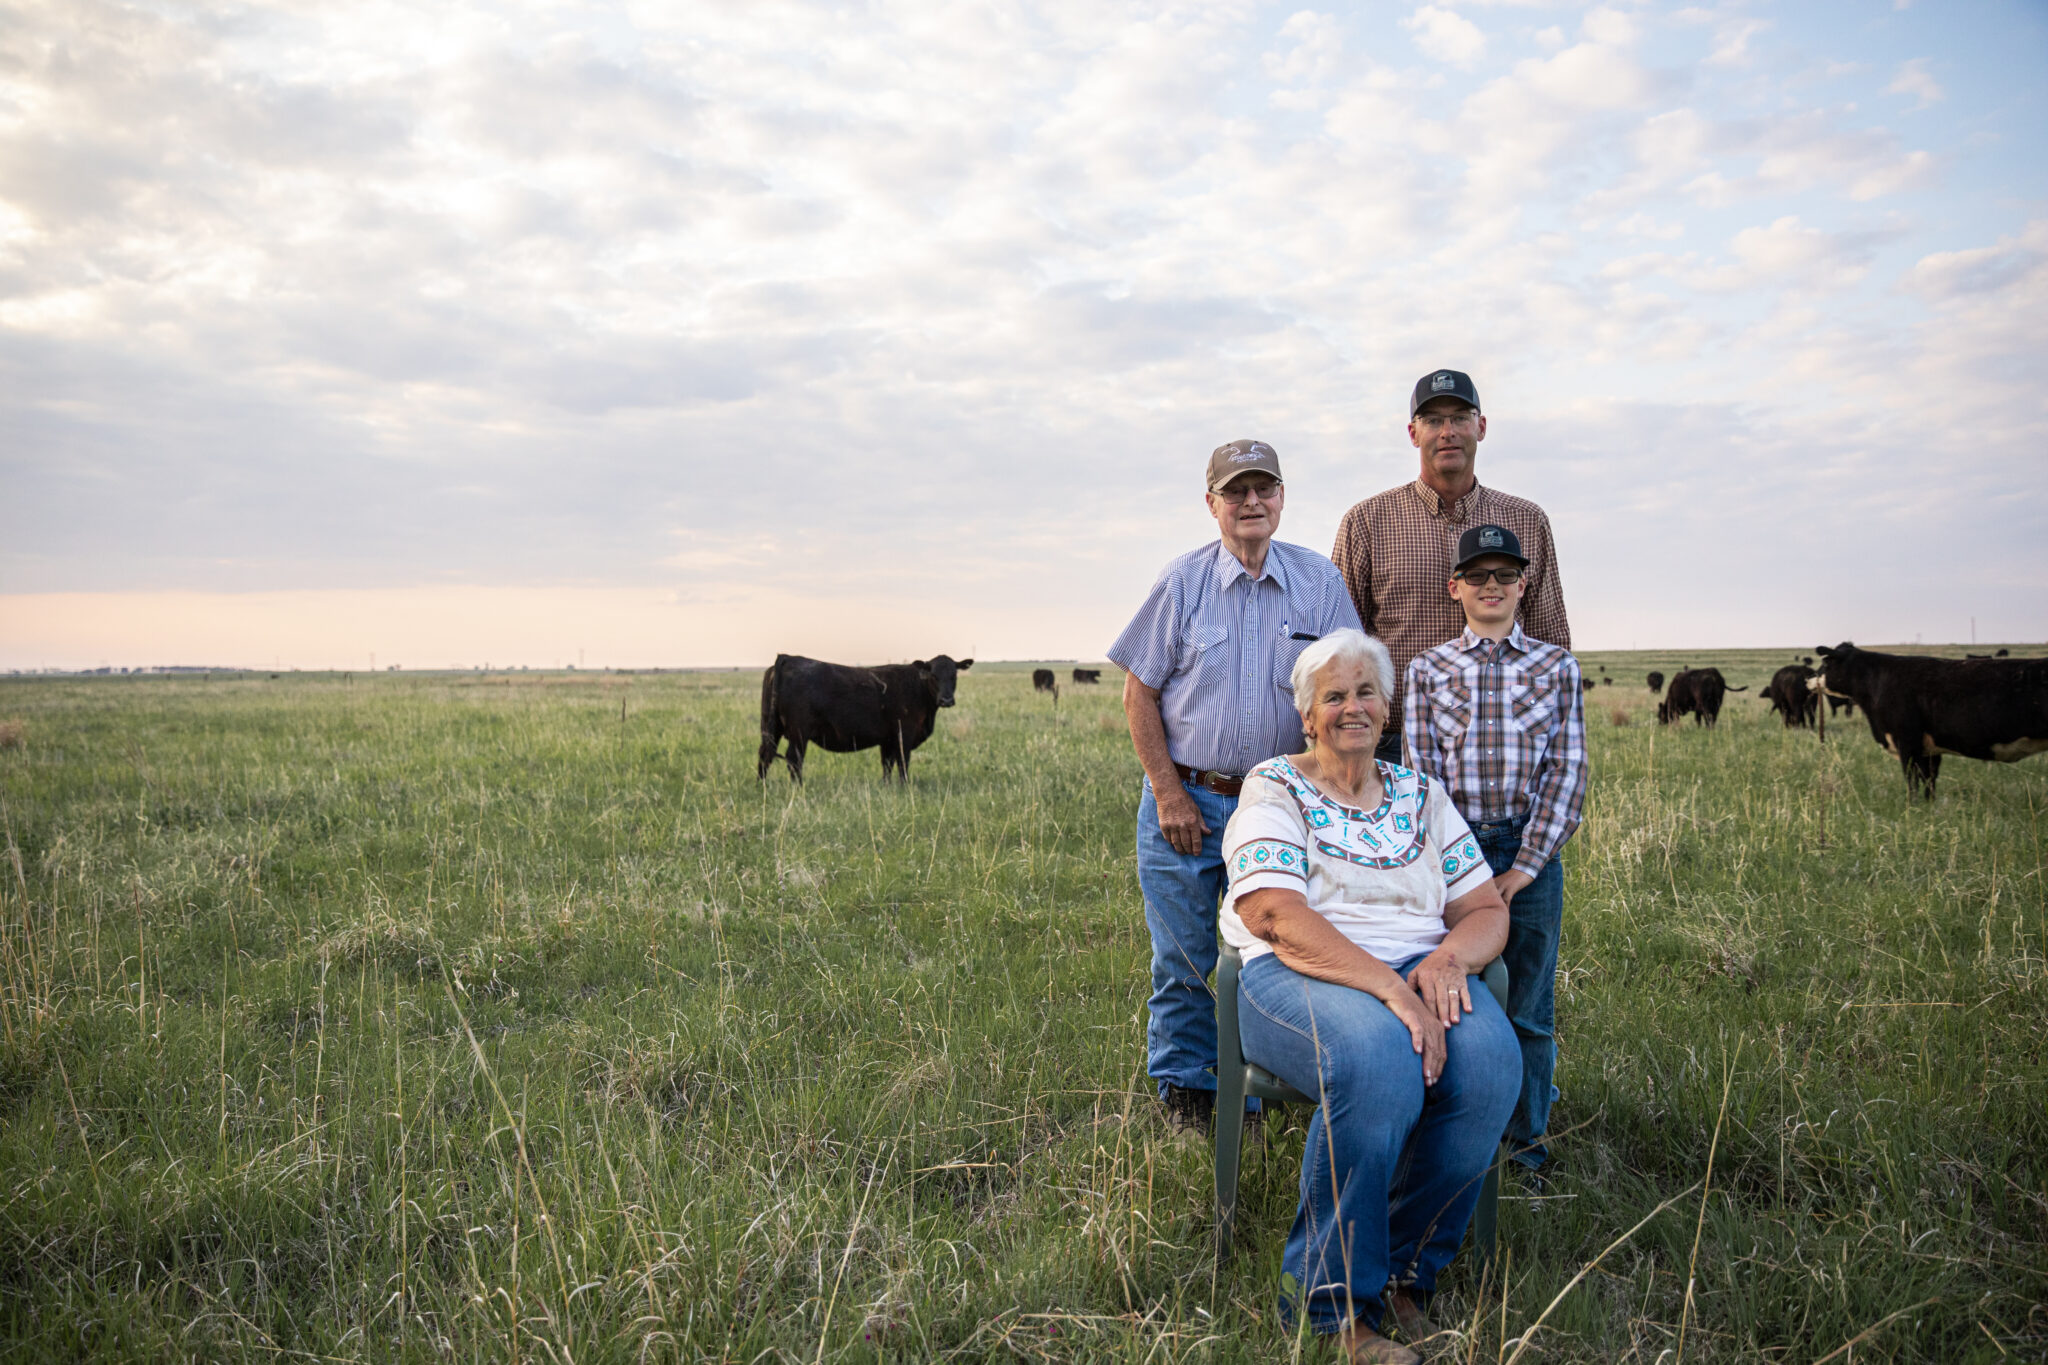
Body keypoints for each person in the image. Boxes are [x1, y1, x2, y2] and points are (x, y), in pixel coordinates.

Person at [1221, 628, 1518, 1364]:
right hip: (1297, 973)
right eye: (1334, 696)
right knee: (1378, 1061)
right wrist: (1394, 990)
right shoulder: (1274, 785)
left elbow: (1486, 908)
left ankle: (1411, 1269)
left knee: (1490, 1068)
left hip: (1420, 967)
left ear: (1386, 709)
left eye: (1365, 692)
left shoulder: (1421, 794)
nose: (1351, 707)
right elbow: (1272, 914)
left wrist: (1448, 961)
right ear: (1308, 715)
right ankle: (1332, 1307)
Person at [1108, 439, 1364, 1133]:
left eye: (1265, 488)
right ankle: (1188, 1094)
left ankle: (1251, 1089)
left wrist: (1329, 793)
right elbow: (1139, 694)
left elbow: (1349, 694)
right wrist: (1168, 794)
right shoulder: (1182, 582)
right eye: (1236, 490)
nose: (1252, 502)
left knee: (1270, 949)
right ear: (1212, 503)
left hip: (1280, 803)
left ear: (1282, 496)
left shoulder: (1319, 583)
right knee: (1185, 953)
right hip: (1186, 796)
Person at [1403, 524, 1587, 1180]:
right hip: (1453, 850)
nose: (1491, 586)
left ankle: (1524, 1148)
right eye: (1477, 576)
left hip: (1528, 852)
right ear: (1454, 587)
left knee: (1530, 1006)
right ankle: (1449, 1139)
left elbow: (1567, 773)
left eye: (1504, 576)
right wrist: (1465, 873)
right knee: (1449, 990)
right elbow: (1422, 778)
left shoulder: (1556, 668)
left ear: (1523, 584)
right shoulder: (1427, 670)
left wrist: (1524, 867)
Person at [1330, 369, 1571, 765]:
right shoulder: (1367, 522)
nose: (1448, 431)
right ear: (1413, 433)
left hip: (1506, 739)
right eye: (1433, 420)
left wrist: (1550, 740)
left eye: (1460, 417)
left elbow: (1551, 638)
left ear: (1481, 426)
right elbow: (1338, 641)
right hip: (1392, 742)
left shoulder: (1527, 521)